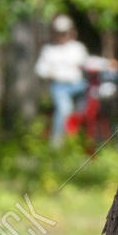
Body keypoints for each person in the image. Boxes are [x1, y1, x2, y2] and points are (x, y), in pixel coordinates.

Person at [34, 14, 88, 147]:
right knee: (64, 110)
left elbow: (88, 63)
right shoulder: (49, 50)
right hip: (60, 87)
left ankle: (83, 139)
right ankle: (57, 144)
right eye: (60, 33)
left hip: (78, 85)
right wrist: (51, 73)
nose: (63, 36)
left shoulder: (77, 48)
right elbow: (40, 69)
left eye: (65, 33)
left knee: (86, 110)